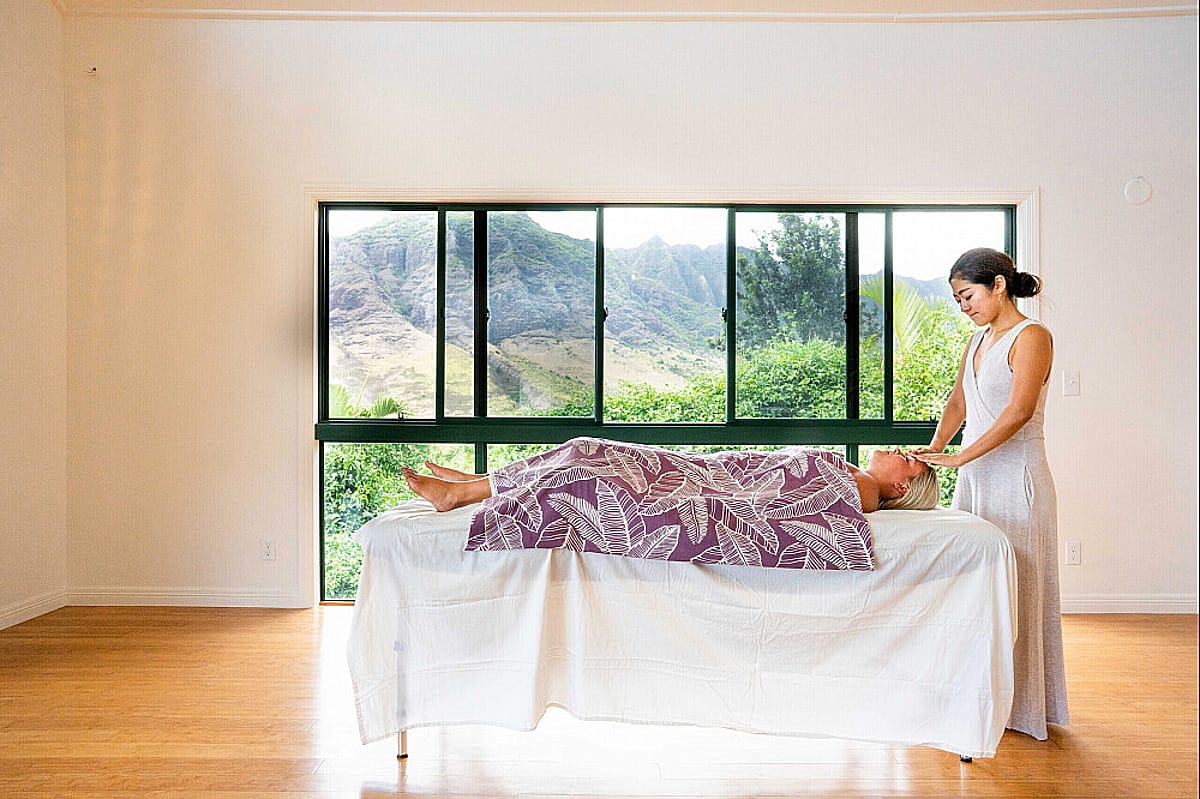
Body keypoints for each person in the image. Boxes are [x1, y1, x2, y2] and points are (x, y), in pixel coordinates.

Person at [914, 247, 1068, 740]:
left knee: (1020, 589)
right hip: (976, 478)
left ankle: (1024, 706)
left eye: (968, 296)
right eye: (958, 300)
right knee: (977, 587)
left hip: (1017, 478)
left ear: (998, 285)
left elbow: (1019, 411)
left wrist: (963, 456)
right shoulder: (978, 339)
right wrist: (936, 449)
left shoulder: (1032, 336)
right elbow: (959, 403)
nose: (964, 307)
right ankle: (979, 696)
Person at [402, 445, 939, 514]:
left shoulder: (865, 490)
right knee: (582, 451)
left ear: (902, 488)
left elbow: (785, 493)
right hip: (710, 471)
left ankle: (462, 493)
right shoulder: (859, 478)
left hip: (704, 484)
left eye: (911, 461)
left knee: (584, 457)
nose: (901, 452)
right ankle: (476, 482)